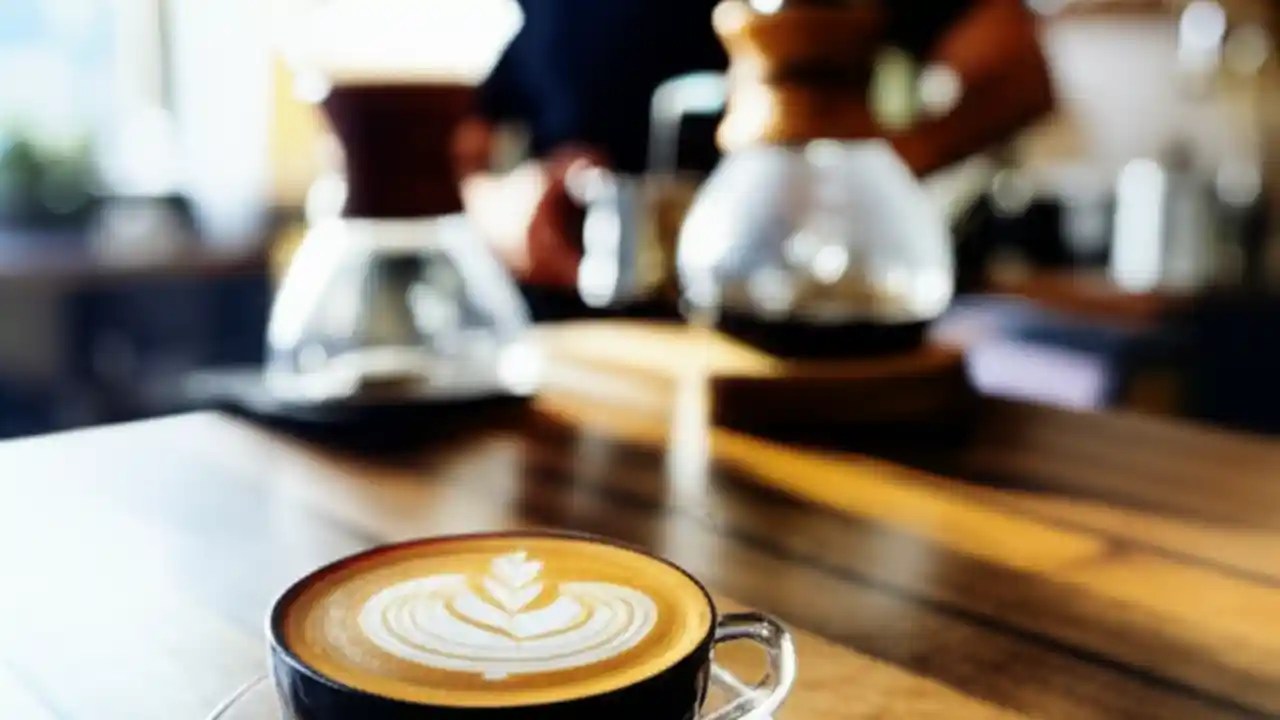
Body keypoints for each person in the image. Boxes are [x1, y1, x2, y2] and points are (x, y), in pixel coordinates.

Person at [455, 0, 1053, 291]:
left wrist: (869, 178)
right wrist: (502, 211)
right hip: (569, 338)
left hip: (793, 315)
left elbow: (1018, 70)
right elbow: (464, 149)